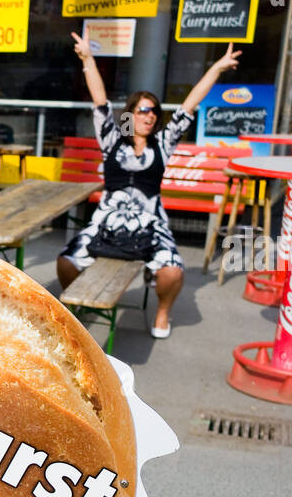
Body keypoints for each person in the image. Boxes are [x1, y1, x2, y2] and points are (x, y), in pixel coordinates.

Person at [58, 35, 242, 339]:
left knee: (173, 272)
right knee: (65, 260)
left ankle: (162, 311)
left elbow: (189, 105)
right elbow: (100, 102)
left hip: (151, 224)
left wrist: (217, 69)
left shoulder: (163, 143)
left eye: (154, 110)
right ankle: (79, 309)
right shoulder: (112, 140)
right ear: (131, 114)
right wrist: (88, 59)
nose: (150, 115)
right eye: (143, 110)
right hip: (108, 221)